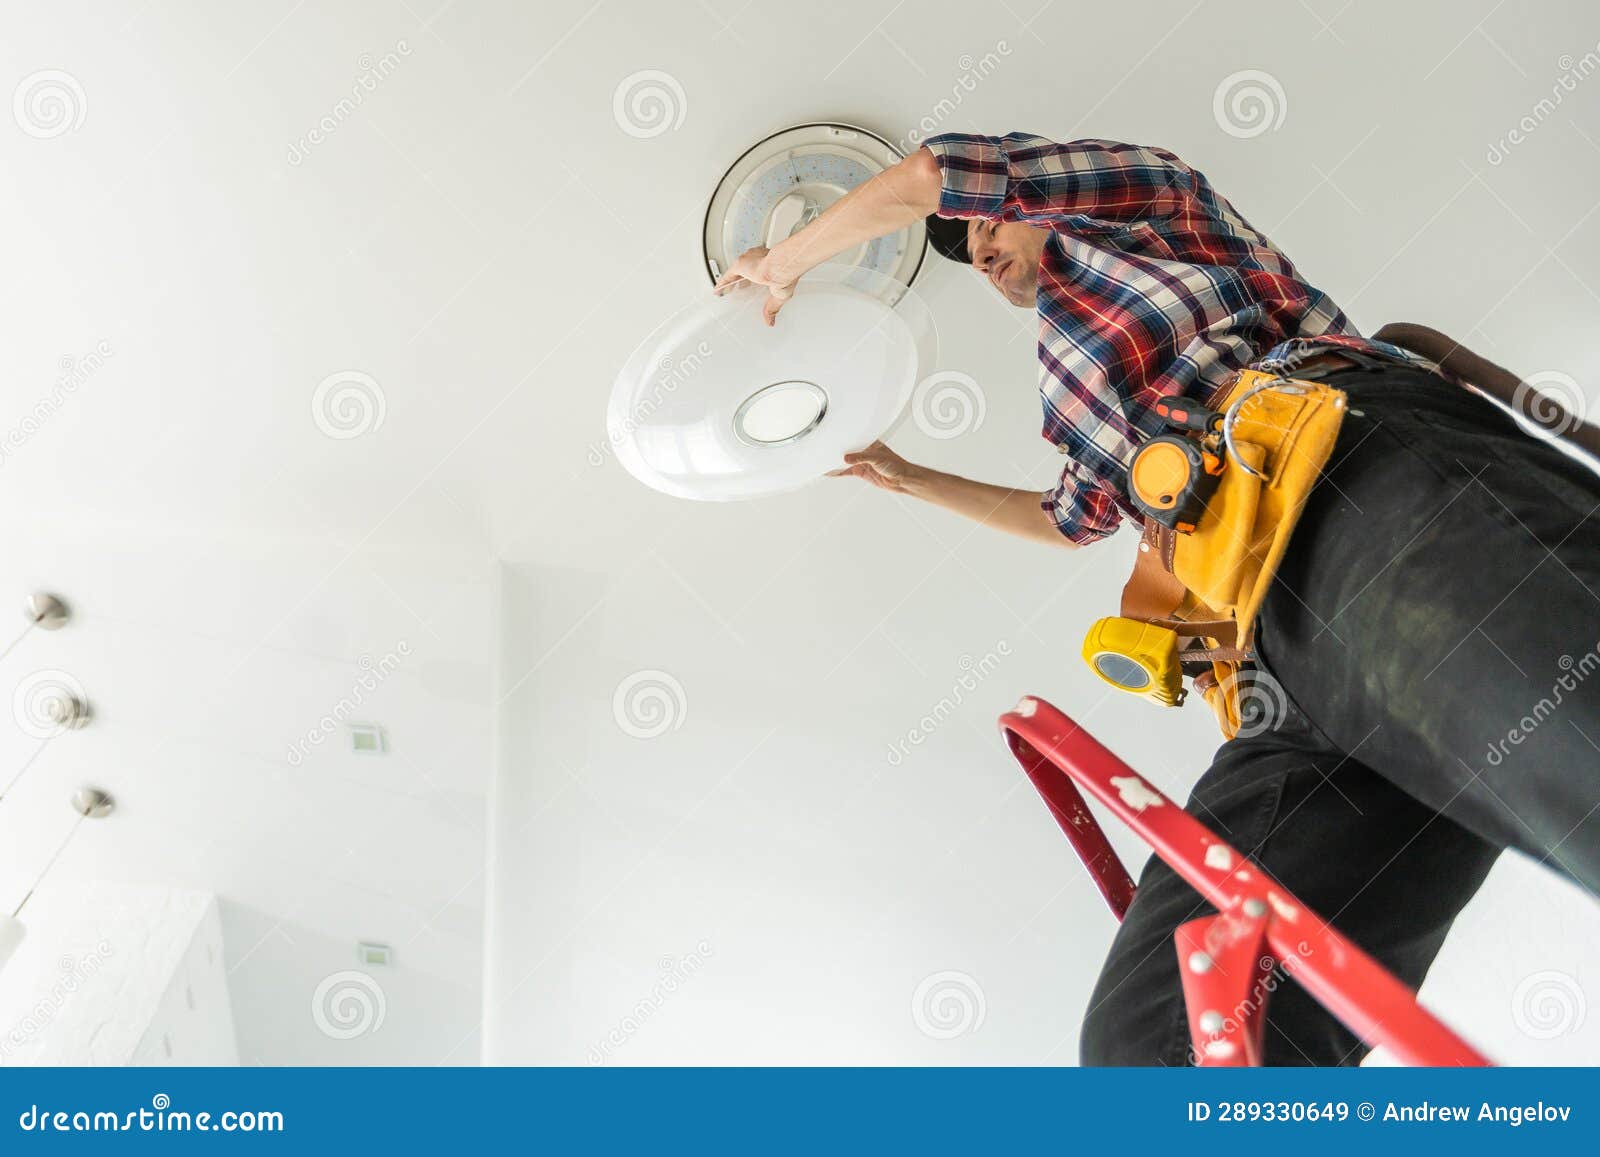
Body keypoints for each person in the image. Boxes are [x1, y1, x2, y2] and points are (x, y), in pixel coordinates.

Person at [716, 133, 1600, 1064]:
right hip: (1273, 658)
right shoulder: (1077, 386)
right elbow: (1070, 520)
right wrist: (910, 477)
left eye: (980, 226)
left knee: (1577, 733)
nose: (972, 246)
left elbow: (940, 172)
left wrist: (780, 264)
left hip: (1357, 493)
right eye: (959, 245)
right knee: (1150, 1044)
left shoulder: (1148, 210)